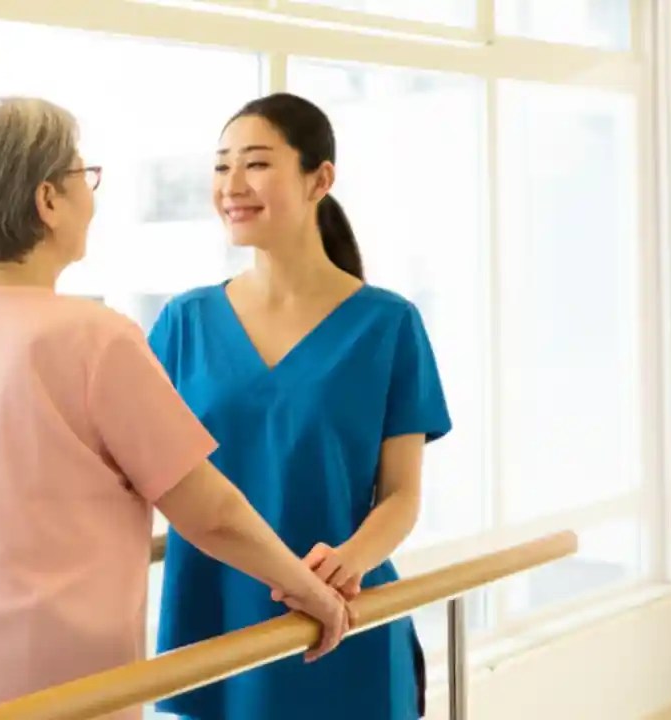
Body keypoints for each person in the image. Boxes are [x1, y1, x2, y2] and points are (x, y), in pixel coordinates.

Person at [0, 96, 352, 720]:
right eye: (85, 176)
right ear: (48, 200)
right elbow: (207, 510)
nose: (93, 196)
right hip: (58, 684)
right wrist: (309, 591)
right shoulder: (94, 338)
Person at [151, 92, 453, 720]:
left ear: (321, 179)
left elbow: (402, 495)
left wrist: (348, 563)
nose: (232, 185)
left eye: (256, 164)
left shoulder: (388, 324)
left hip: (345, 616)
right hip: (220, 616)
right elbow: (130, 468)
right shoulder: (184, 323)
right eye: (220, 166)